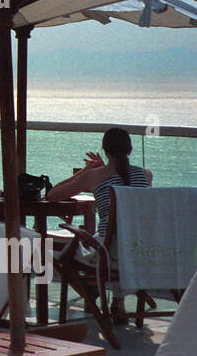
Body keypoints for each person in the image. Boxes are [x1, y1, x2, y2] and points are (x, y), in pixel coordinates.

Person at [47, 127, 152, 318]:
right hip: (140, 251)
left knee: (63, 257)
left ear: (105, 150)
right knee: (122, 238)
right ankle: (117, 300)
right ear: (130, 150)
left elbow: (53, 194)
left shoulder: (95, 176)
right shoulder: (146, 175)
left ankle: (90, 292)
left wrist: (86, 171)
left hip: (108, 253)